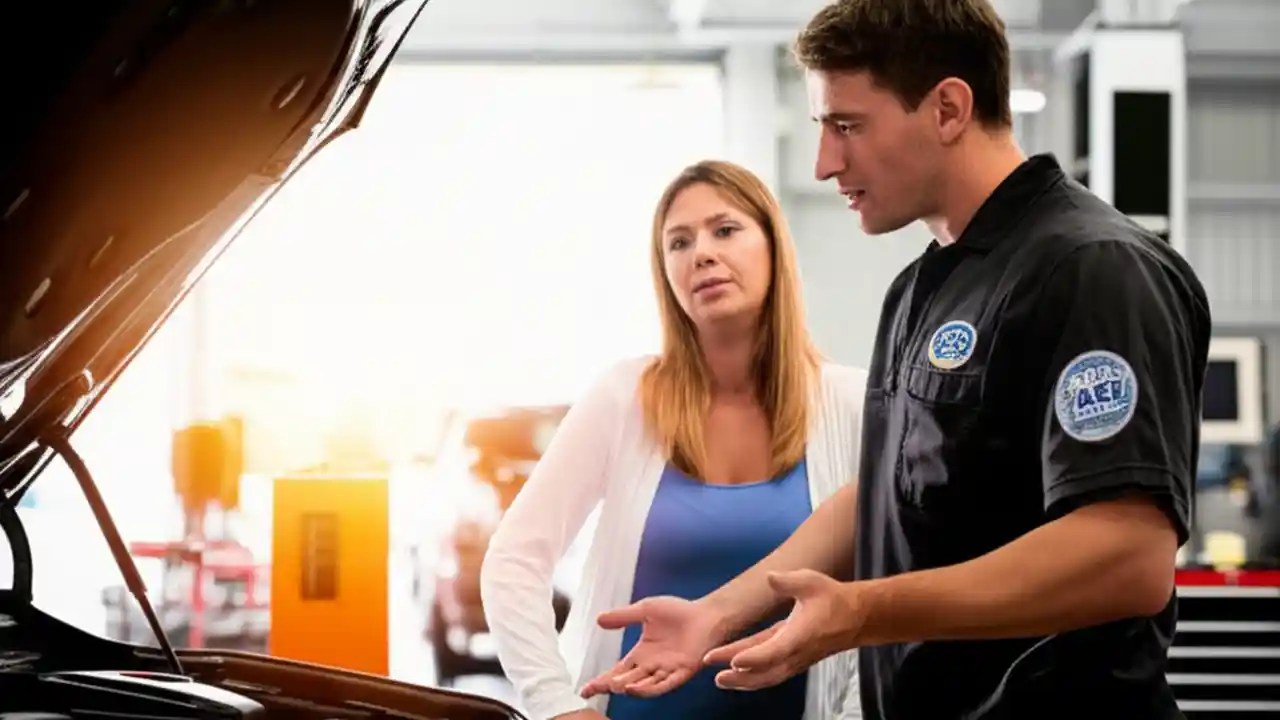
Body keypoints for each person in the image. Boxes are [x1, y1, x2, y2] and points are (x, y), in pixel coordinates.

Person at [580, 1, 1212, 718]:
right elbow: (886, 492)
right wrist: (718, 613)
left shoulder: (1092, 269)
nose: (824, 163)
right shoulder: (921, 287)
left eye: (847, 125)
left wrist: (862, 612)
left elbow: (1126, 557)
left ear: (947, 108)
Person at [479, 159, 868, 720]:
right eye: (678, 243)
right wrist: (554, 704)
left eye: (725, 230)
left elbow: (886, 600)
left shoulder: (854, 404)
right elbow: (514, 558)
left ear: (774, 247)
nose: (701, 253)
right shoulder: (626, 397)